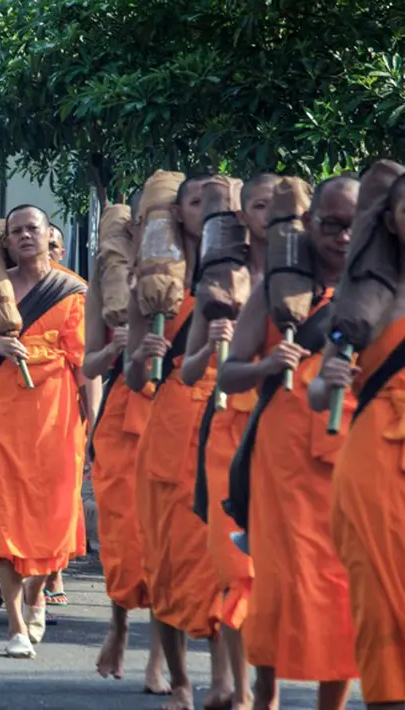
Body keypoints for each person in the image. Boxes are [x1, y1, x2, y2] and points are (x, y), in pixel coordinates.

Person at [222, 176, 361, 710]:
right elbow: (230, 373)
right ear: (307, 223)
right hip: (284, 464)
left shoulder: (381, 289)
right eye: (332, 225)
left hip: (358, 456)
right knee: (283, 581)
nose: (343, 238)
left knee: (344, 585)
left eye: (353, 226)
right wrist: (266, 365)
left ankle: (332, 702)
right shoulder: (277, 290)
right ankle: (266, 691)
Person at [0, 204, 93, 658]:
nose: (25, 236)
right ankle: (16, 625)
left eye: (32, 228)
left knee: (53, 516)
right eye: (15, 231)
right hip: (0, 418)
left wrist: (94, 423)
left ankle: (36, 595)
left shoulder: (74, 290)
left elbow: (85, 368)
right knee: (5, 517)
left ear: (50, 235)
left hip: (57, 420)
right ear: (7, 241)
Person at [127, 175, 236, 710]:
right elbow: (132, 379)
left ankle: (225, 681)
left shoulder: (247, 276)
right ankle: (182, 681)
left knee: (222, 561)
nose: (212, 210)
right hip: (171, 428)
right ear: (177, 213)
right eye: (199, 202)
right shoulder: (151, 283)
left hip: (231, 422)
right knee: (169, 559)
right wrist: (142, 353)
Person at [180, 174, 277, 709]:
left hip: (289, 436)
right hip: (229, 434)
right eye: (259, 206)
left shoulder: (310, 281)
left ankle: (266, 689)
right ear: (242, 216)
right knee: (238, 567)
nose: (270, 216)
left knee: (277, 571)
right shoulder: (220, 280)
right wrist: (211, 345)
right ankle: (239, 689)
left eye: (278, 207)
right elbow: (188, 372)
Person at [317, 172, 405, 710]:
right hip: (375, 458)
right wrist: (328, 377)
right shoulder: (365, 297)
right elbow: (318, 388)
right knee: (379, 598)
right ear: (388, 222)